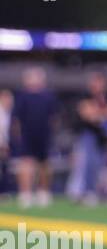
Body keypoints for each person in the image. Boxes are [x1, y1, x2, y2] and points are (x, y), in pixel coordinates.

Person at [67, 73, 107, 204]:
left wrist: (103, 114)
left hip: (103, 136)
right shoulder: (85, 96)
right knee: (86, 164)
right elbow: (89, 115)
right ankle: (83, 192)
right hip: (88, 135)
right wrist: (106, 113)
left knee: (101, 165)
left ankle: (97, 191)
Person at [11, 67, 59, 208]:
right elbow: (16, 120)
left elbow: (54, 117)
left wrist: (51, 134)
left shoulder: (49, 97)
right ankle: (25, 194)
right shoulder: (22, 96)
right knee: (26, 164)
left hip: (44, 135)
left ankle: (43, 193)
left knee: (44, 164)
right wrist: (17, 137)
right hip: (27, 135)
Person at [0, 89, 13, 196]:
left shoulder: (6, 112)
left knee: (4, 169)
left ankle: (3, 192)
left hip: (4, 144)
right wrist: (3, 145)